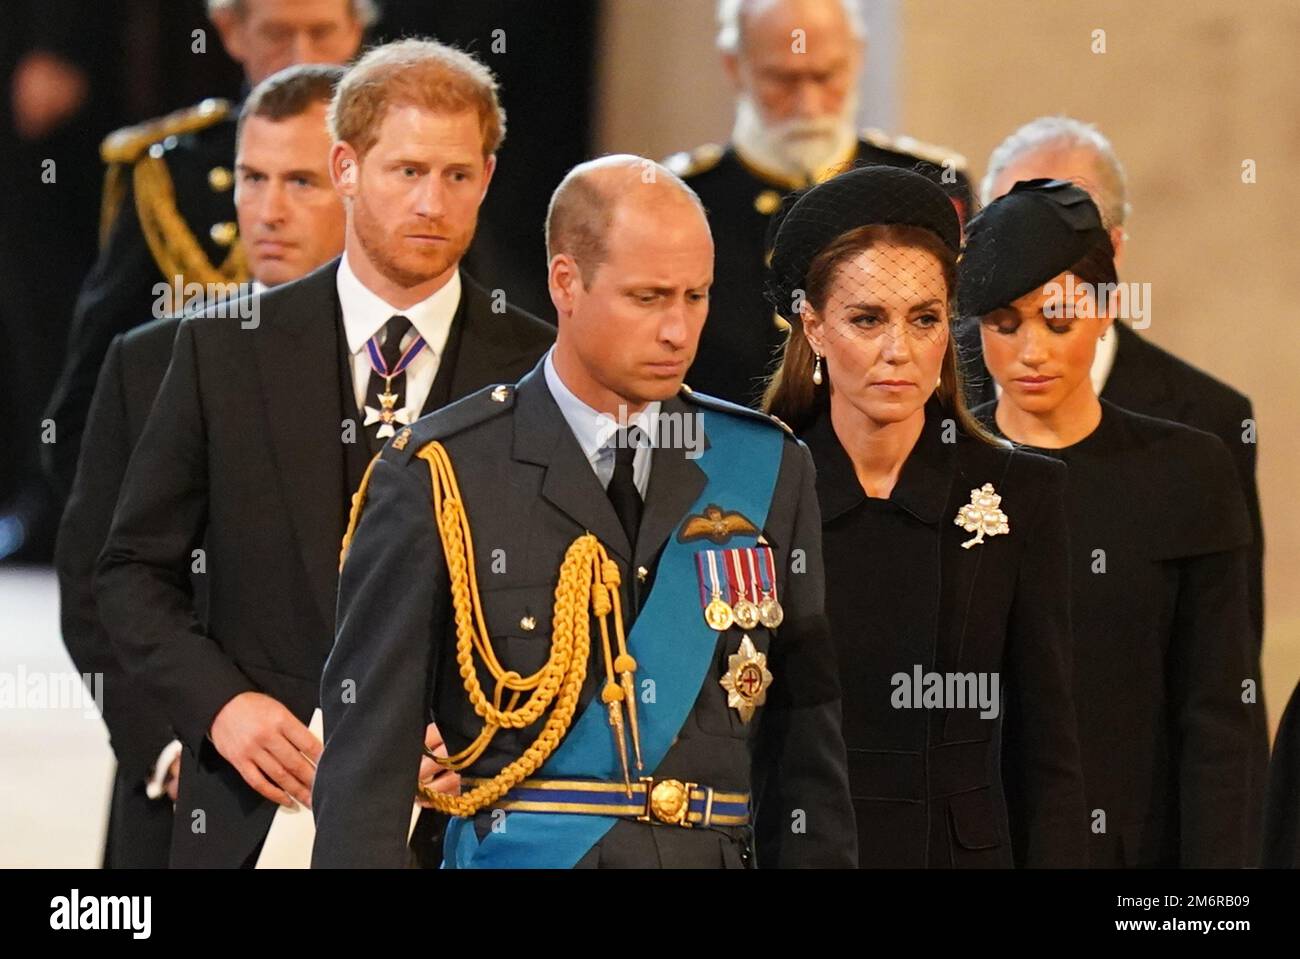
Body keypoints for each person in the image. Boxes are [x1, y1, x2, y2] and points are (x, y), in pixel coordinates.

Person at [311, 154, 856, 869]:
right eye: (648, 297)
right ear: (566, 282)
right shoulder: (442, 475)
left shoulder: (765, 467)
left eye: (696, 296)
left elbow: (804, 753)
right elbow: (367, 773)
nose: (678, 330)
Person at [94, 39, 554, 868]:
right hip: (253, 806)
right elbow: (130, 571)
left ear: (487, 178)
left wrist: (479, 728)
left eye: (457, 175)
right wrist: (224, 706)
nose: (432, 203)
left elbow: (577, 595)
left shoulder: (540, 370)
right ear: (346, 167)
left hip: (467, 821)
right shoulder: (223, 352)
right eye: (407, 171)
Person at [55, 63, 348, 870]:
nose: (268, 210)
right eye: (252, 178)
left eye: (300, 181)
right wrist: (173, 740)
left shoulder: (411, 365)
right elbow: (94, 585)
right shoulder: (148, 361)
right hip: (185, 783)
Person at [762, 165, 1086, 867]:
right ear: (814, 326)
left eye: (924, 319)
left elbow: (1048, 756)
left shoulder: (1019, 493)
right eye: (867, 319)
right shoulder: (754, 490)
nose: (898, 351)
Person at [961, 179, 1261, 867]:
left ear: (1107, 312)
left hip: (1136, 854)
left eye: (1057, 320)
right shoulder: (942, 473)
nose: (1030, 350)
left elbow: (1217, 714)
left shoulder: (1184, 470)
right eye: (1005, 323)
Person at [41, 0, 369, 499]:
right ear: (231, 31)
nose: (302, 56)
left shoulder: (403, 175)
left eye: (321, 33)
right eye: (279, 34)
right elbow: (86, 415)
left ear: (356, 31)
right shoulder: (173, 177)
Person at [666, 0, 971, 408]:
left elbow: (964, 343)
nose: (807, 104)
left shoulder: (923, 185)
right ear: (733, 66)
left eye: (825, 76)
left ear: (857, 58)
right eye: (781, 79)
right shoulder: (685, 199)